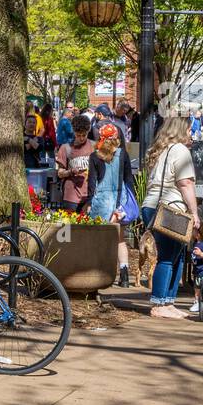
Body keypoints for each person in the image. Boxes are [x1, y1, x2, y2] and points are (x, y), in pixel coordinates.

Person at [141, 114, 201, 319]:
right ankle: (159, 303)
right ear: (180, 130)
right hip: (171, 207)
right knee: (168, 257)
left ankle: (168, 301)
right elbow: (186, 183)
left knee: (176, 256)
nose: (191, 133)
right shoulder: (181, 150)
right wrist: (194, 213)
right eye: (189, 129)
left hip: (152, 206)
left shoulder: (162, 150)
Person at [86, 123, 133, 287]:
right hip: (120, 200)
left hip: (102, 202)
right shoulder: (123, 155)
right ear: (117, 138)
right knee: (120, 239)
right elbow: (129, 180)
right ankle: (125, 275)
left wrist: (89, 204)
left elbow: (92, 183)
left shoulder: (94, 157)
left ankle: (100, 273)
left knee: (100, 238)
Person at [55, 114, 95, 209]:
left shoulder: (94, 146)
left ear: (88, 131)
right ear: (73, 131)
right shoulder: (65, 148)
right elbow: (60, 173)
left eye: (84, 135)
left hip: (89, 195)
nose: (81, 138)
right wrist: (70, 171)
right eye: (78, 135)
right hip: (70, 195)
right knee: (69, 223)